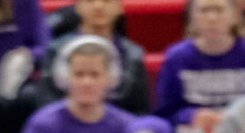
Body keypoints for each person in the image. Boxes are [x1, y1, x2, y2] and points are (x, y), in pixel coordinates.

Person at [21, 0, 153, 121]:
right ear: (77, 7)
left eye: (107, 1)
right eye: (90, 1)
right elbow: (46, 102)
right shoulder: (56, 51)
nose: (98, 6)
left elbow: (140, 111)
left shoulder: (133, 55)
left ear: (119, 7)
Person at [153, 0, 245, 133]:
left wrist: (232, 115)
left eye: (219, 10)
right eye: (204, 10)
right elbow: (164, 112)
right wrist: (190, 115)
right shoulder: (177, 57)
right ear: (191, 16)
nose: (212, 18)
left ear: (235, 15)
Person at [22, 35, 136, 133]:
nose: (86, 82)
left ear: (111, 78)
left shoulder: (127, 127)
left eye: (95, 74)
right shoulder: (42, 127)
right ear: (64, 77)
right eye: (79, 74)